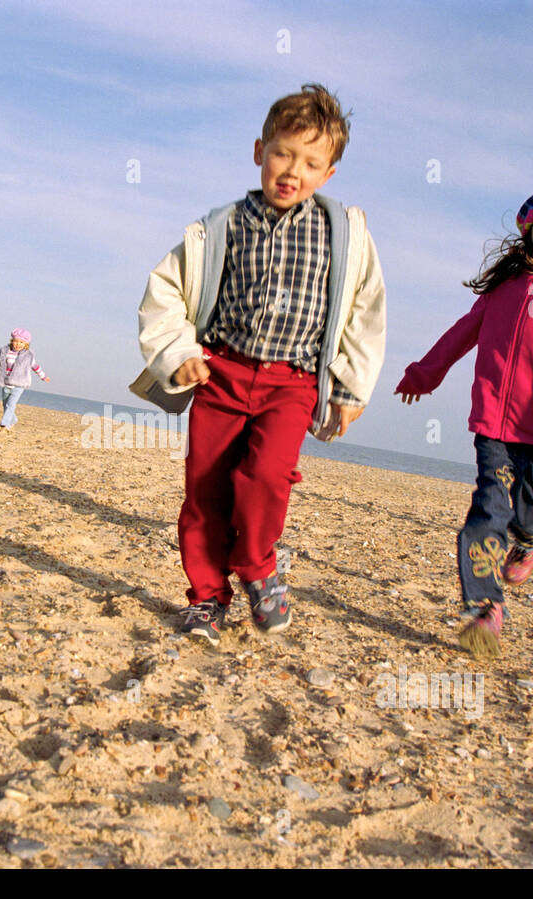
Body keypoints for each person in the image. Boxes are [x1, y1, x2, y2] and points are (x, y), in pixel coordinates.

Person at [136, 83, 387, 645]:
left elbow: (365, 311)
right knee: (205, 490)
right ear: (258, 151)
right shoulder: (219, 228)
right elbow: (166, 290)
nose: (292, 170)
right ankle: (206, 599)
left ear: (329, 173)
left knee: (266, 476)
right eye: (282, 153)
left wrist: (351, 386)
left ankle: (256, 564)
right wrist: (177, 354)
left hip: (291, 382)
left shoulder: (344, 233)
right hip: (220, 372)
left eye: (311, 161)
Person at [394, 181, 533, 658]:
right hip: (494, 424)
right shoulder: (504, 287)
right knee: (488, 510)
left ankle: (531, 537)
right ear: (529, 225)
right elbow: (462, 333)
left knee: (530, 510)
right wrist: (423, 373)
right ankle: (484, 607)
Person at [0, 328, 50, 429]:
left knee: (11, 404)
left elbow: (35, 366)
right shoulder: (5, 352)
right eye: (16, 341)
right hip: (5, 382)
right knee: (5, 405)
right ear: (12, 341)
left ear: (26, 344)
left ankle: (5, 424)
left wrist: (43, 376)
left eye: (21, 342)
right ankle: (13, 419)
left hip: (18, 384)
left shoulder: (28, 356)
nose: (18, 344)